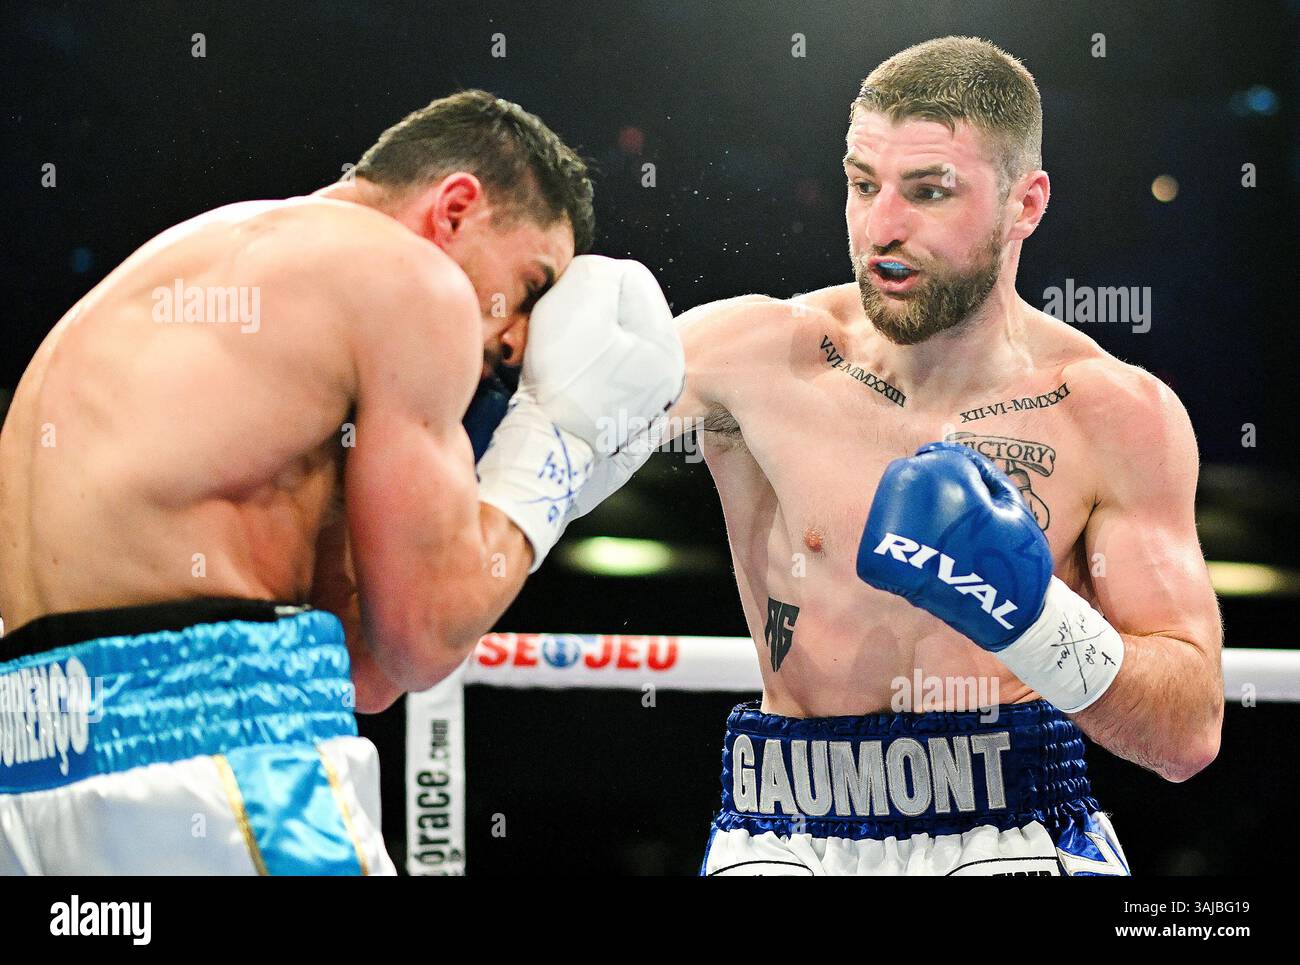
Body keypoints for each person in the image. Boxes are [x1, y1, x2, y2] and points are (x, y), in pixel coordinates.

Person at [582, 37, 1223, 875]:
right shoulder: (753, 353)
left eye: (929, 191)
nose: (881, 224)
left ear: (1025, 205)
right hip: (783, 829)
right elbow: (532, 477)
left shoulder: (1112, 412)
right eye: (861, 184)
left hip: (1018, 828)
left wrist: (1036, 620)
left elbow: (1188, 731)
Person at [0, 90, 684, 874]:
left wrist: (529, 491)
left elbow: (370, 674)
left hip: (28, 776)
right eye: (531, 286)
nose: (521, 340)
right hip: (221, 766)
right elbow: (424, 640)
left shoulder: (180, 275)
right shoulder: (411, 283)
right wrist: (555, 450)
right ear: (456, 207)